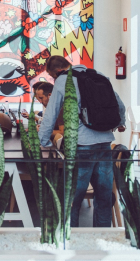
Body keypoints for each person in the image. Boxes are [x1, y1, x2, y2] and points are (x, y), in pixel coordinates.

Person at [39, 55, 126, 228]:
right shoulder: (98, 75)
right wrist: (120, 123)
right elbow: (120, 105)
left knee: (73, 199)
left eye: (52, 76)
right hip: (104, 144)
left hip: (81, 147)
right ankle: (101, 236)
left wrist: (43, 142)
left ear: (56, 72)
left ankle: (72, 239)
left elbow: (50, 114)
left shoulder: (63, 81)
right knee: (103, 197)